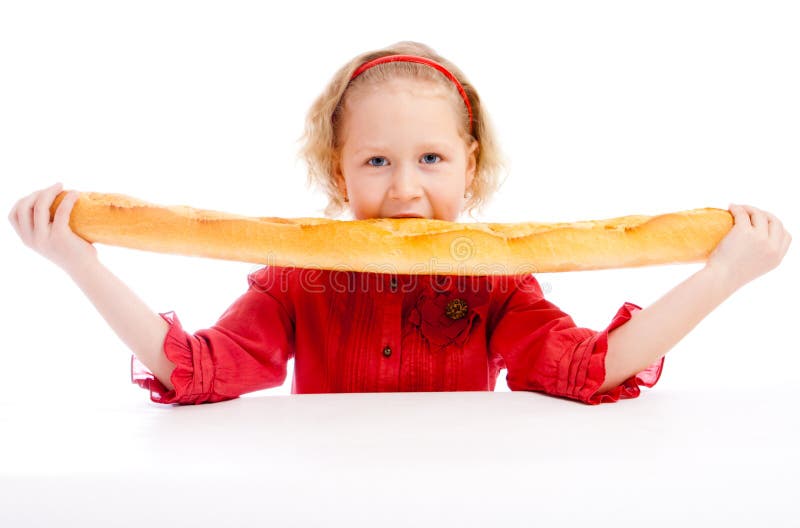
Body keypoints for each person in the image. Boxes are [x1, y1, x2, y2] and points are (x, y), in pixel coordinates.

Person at [7, 41, 791, 406]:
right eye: (376, 163)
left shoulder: (496, 283)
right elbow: (196, 369)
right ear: (337, 173)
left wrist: (723, 274)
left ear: (471, 167)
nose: (405, 190)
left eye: (431, 161)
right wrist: (81, 262)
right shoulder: (295, 279)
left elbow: (593, 367)